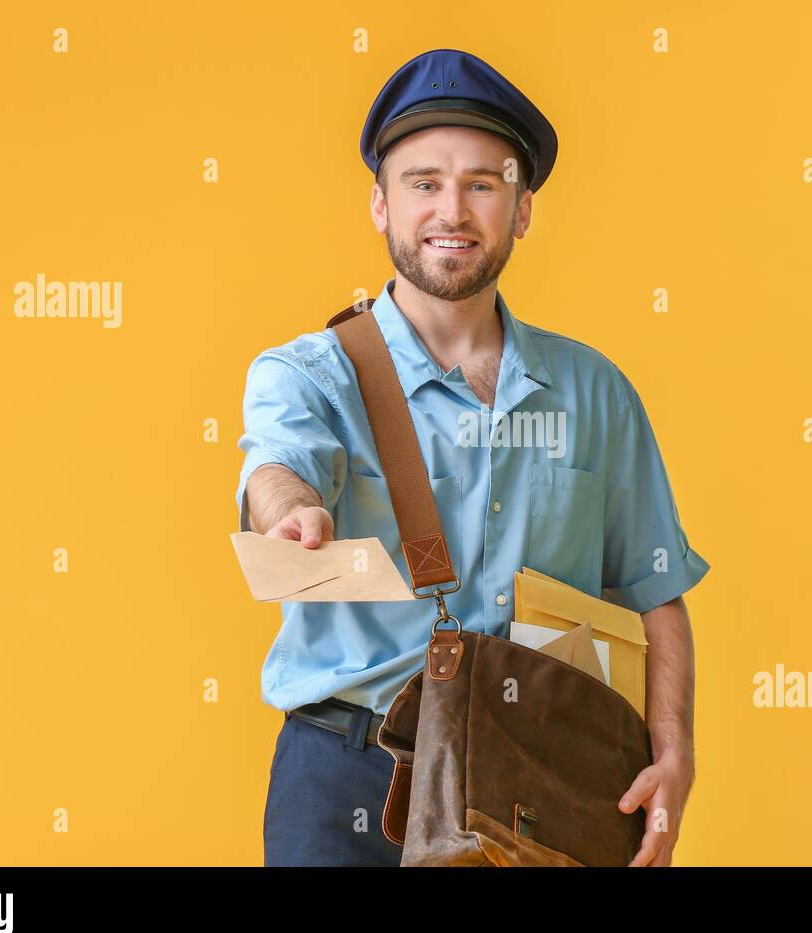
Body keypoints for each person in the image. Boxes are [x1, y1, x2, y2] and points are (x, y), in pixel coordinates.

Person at [236, 48, 710, 866]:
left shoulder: (596, 393)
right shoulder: (308, 373)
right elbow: (276, 466)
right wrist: (290, 512)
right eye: (422, 183)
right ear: (380, 206)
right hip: (349, 781)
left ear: (521, 209)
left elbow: (655, 593)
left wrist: (675, 757)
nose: (450, 210)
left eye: (482, 184)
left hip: (538, 778)